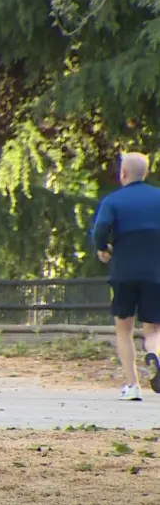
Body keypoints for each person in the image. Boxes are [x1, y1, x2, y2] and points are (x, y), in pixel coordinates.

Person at [91, 152, 160, 400]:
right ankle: (157, 354)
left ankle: (132, 386)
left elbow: (100, 231)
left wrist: (102, 248)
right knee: (153, 328)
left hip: (123, 272)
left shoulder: (113, 201)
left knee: (124, 328)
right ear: (146, 173)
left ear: (123, 173)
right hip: (155, 272)